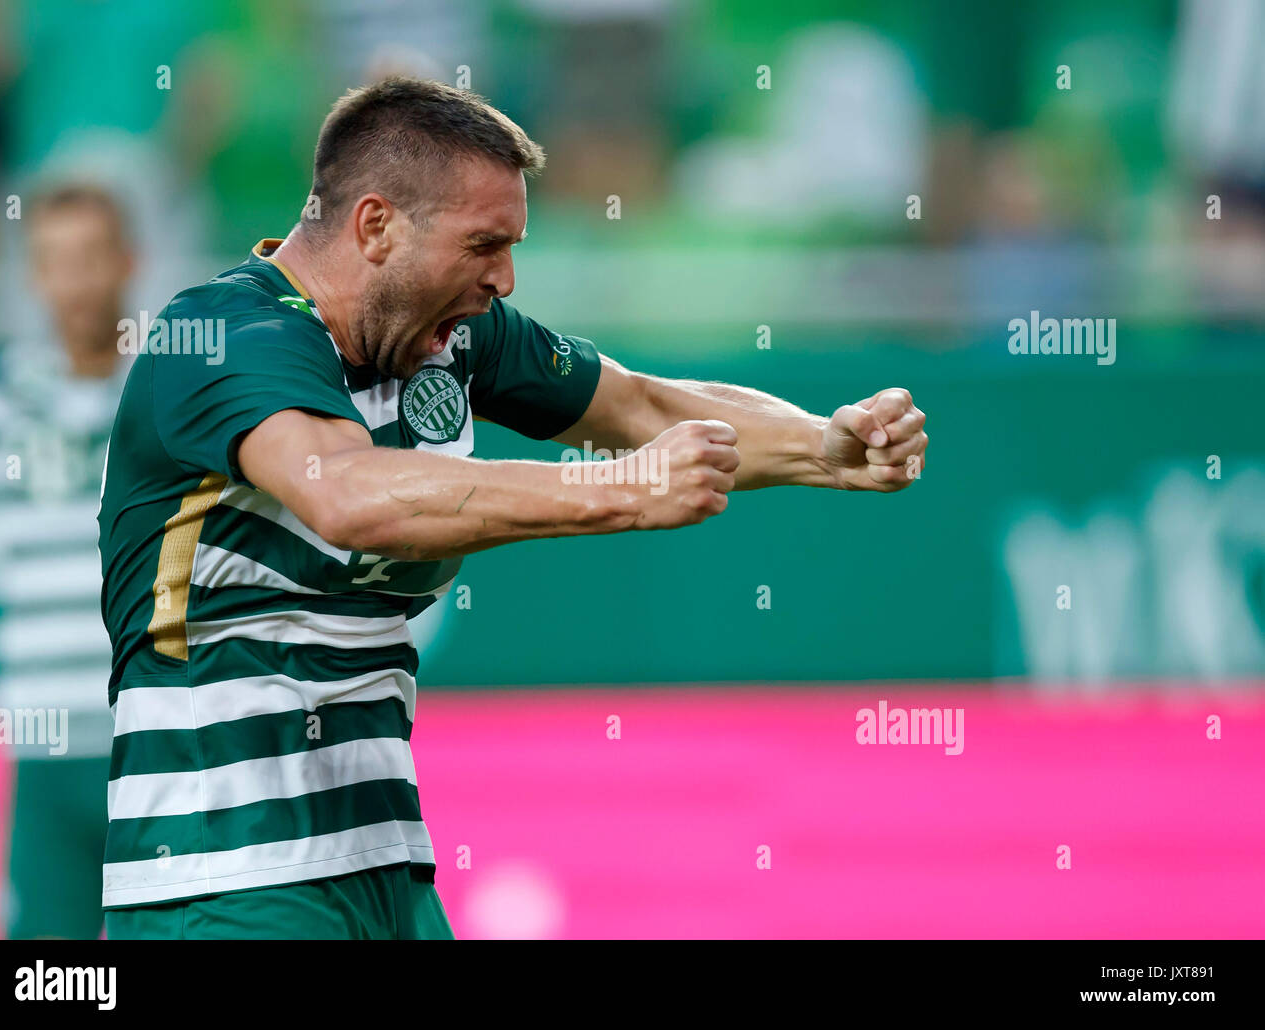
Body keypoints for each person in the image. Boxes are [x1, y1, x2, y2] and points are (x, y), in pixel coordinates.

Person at [98, 77, 928, 940]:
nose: (505, 277)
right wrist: (623, 488)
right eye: (484, 245)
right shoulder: (228, 334)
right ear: (375, 226)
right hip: (218, 878)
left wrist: (823, 447)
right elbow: (344, 493)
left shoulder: (450, 335)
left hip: (385, 869)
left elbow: (641, 408)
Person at [0, 183, 133, 938]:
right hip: (44, 742)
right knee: (48, 974)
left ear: (128, 262)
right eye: (55, 262)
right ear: (34, 276)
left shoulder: (173, 394)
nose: (75, 283)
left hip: (160, 740)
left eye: (90, 258)